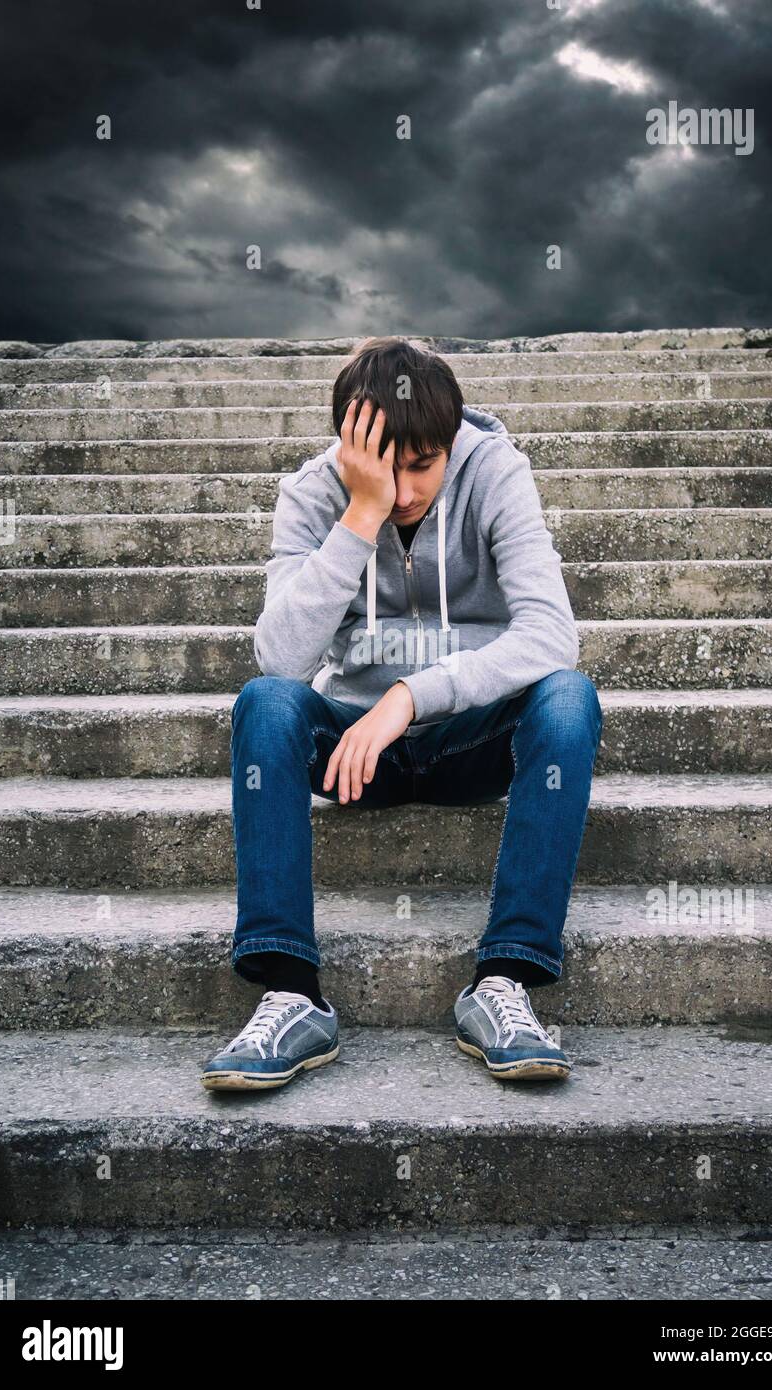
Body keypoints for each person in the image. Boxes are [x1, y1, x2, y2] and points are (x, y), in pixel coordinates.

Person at [201, 336, 602, 1090]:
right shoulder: (314, 494)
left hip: (469, 740)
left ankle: (504, 982)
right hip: (356, 752)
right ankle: (291, 993)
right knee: (266, 704)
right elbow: (281, 657)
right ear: (353, 451)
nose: (408, 490)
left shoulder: (495, 471)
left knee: (569, 698)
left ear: (449, 445)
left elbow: (551, 636)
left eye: (422, 465)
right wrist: (360, 513)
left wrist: (412, 695)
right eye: (389, 468)